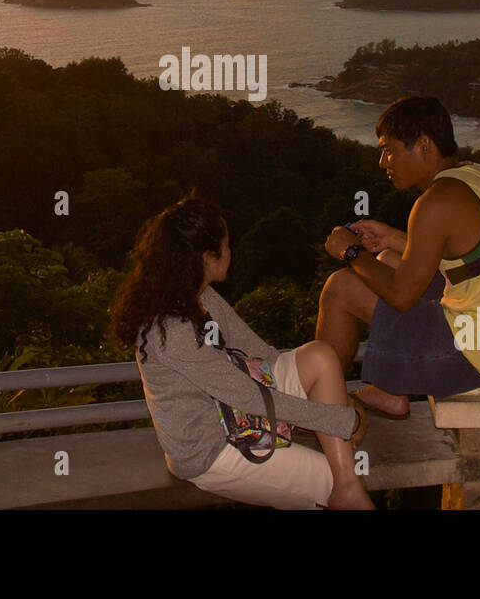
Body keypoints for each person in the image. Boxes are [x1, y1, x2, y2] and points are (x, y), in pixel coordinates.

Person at [110, 194, 374, 509]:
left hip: (236, 409)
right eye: (226, 244)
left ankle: (346, 483)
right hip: (213, 449)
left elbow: (265, 355)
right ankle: (343, 486)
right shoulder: (169, 330)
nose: (230, 252)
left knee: (319, 354)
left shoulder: (201, 297)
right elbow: (247, 397)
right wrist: (343, 420)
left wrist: (332, 404)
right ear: (207, 257)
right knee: (330, 479)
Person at [317, 96, 480, 417]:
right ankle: (389, 391)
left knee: (340, 288)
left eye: (389, 150)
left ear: (424, 145)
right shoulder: (478, 176)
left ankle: (321, 408)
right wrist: (390, 239)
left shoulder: (434, 203)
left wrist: (350, 251)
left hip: (479, 357)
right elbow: (467, 257)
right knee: (388, 261)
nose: (383, 162)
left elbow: (400, 296)